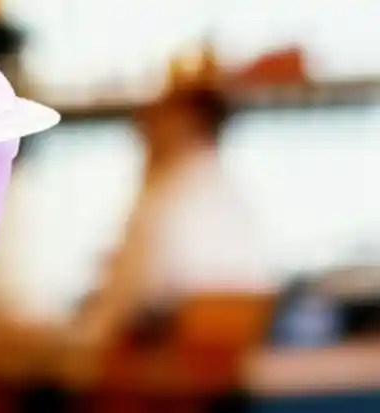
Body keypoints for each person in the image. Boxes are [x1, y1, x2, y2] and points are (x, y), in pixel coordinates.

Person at [76, 85, 273, 348]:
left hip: (152, 369)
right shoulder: (231, 199)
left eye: (155, 117)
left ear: (187, 125)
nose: (142, 129)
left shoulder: (167, 197)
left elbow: (125, 306)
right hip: (214, 369)